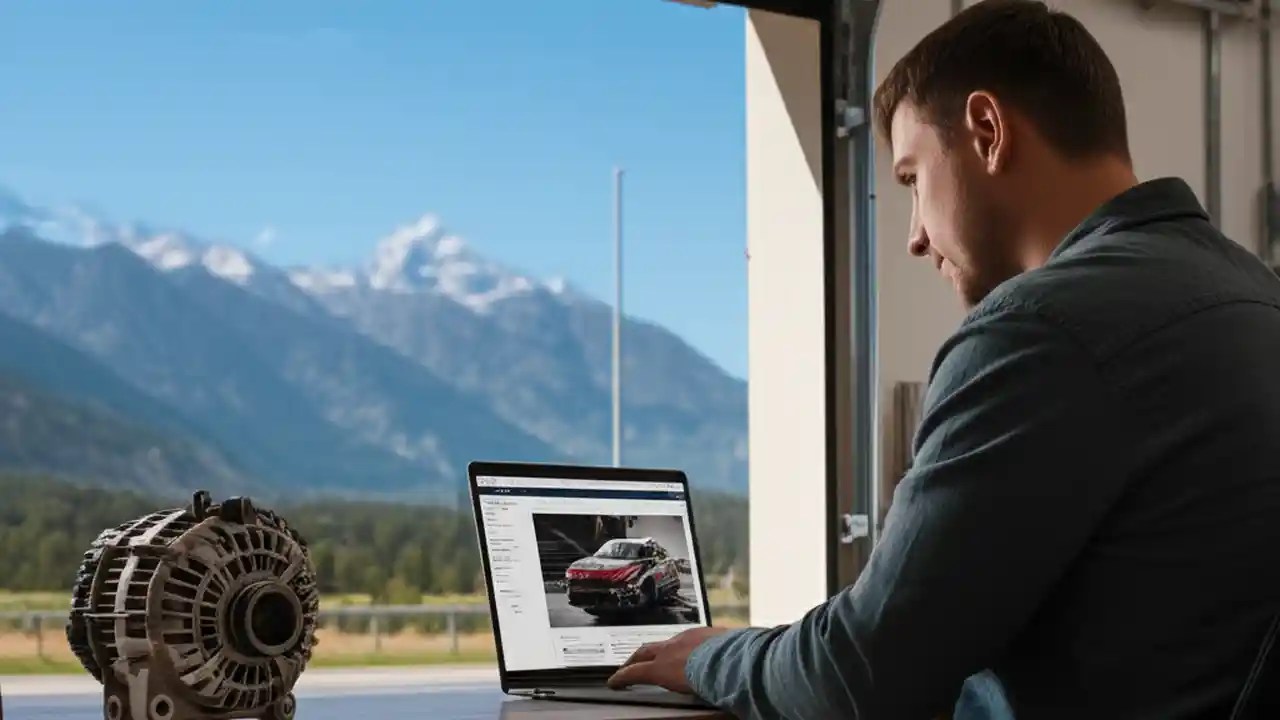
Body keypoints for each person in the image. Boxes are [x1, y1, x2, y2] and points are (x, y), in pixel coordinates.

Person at [606, 0, 1280, 717]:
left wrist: (711, 654)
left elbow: (858, 677)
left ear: (987, 133)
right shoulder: (1256, 295)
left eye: (911, 181)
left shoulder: (1039, 331)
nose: (915, 238)